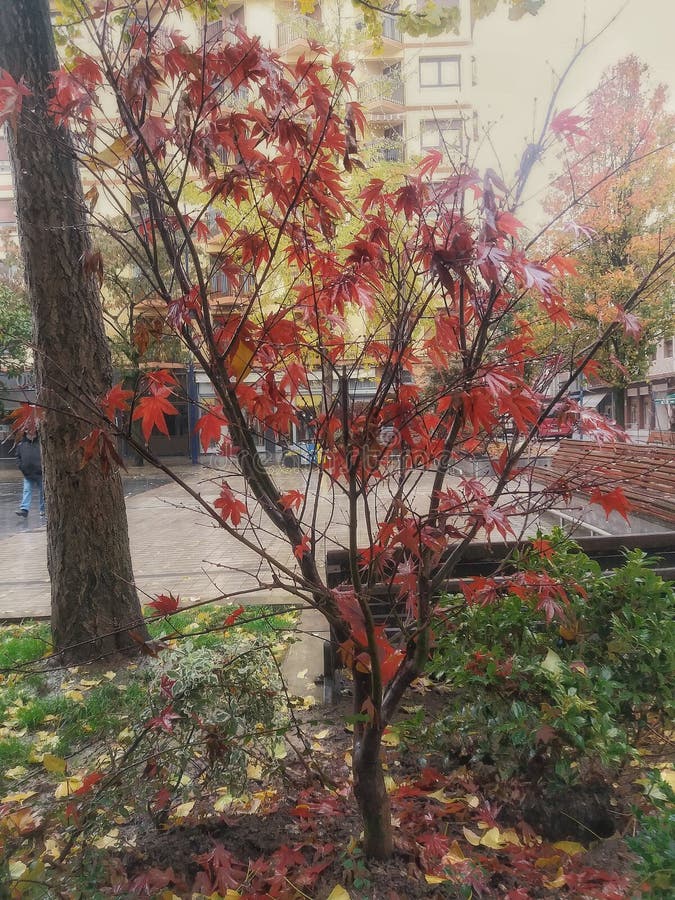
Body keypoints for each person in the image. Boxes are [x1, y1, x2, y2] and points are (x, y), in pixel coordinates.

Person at [15, 430, 45, 519]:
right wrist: (22, 467)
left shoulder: (41, 444)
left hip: (40, 473)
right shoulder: (21, 445)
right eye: (29, 433)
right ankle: (24, 509)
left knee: (43, 492)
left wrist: (43, 468)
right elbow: (17, 457)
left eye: (33, 433)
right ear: (26, 434)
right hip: (27, 474)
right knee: (27, 490)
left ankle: (43, 509)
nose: (31, 435)